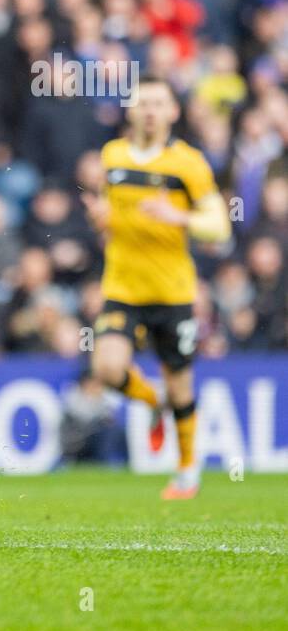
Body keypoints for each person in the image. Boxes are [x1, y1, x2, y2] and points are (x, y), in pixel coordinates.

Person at [82, 77, 230, 499]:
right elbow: (111, 217)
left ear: (172, 112)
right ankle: (152, 402)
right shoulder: (112, 156)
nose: (149, 110)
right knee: (107, 369)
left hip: (173, 293)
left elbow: (219, 227)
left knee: (181, 382)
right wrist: (101, 219)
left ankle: (187, 471)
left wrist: (178, 218)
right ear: (130, 110)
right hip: (123, 287)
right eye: (142, 102)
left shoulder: (189, 164)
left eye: (158, 103)